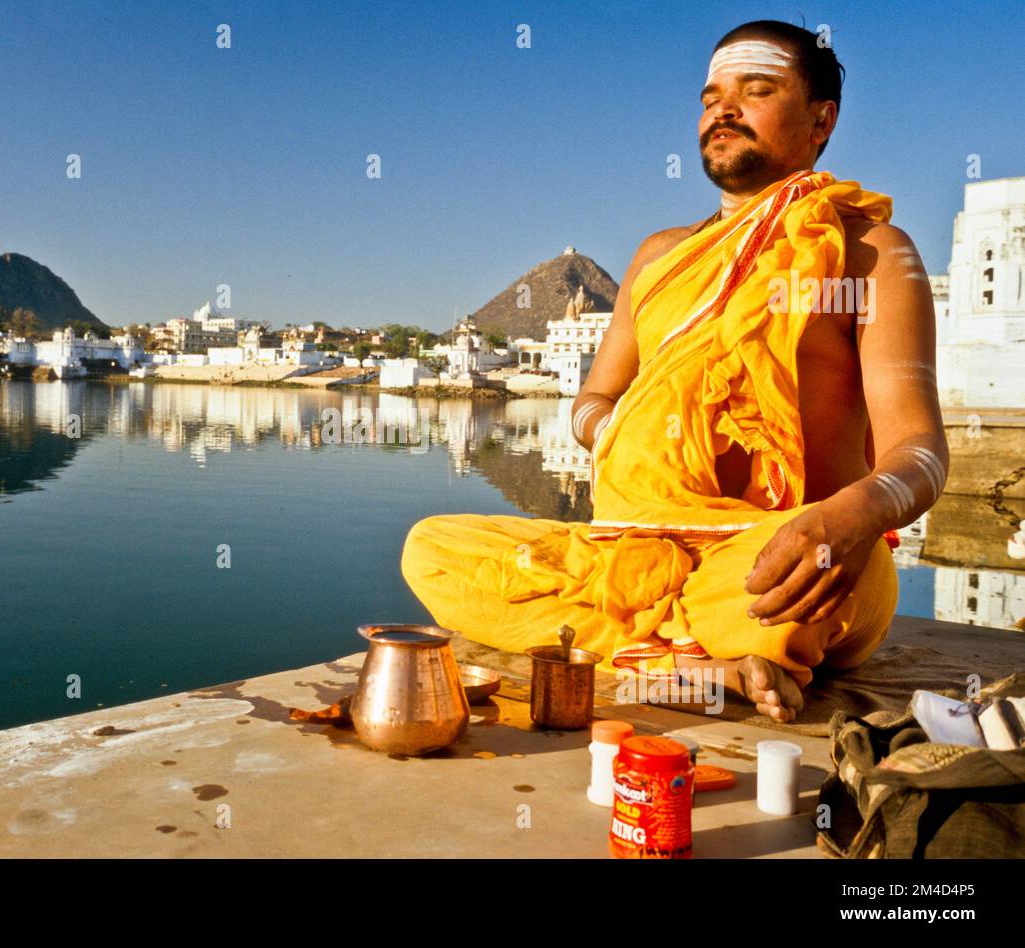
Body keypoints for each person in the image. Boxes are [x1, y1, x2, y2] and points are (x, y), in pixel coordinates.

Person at [400, 20, 949, 722]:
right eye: (711, 95)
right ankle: (701, 665)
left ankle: (674, 647)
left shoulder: (870, 251)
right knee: (436, 550)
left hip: (779, 548)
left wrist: (849, 519)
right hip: (645, 545)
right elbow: (594, 399)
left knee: (815, 585)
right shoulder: (660, 256)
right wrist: (643, 430)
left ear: (822, 119)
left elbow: (922, 453)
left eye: (757, 90)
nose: (724, 110)